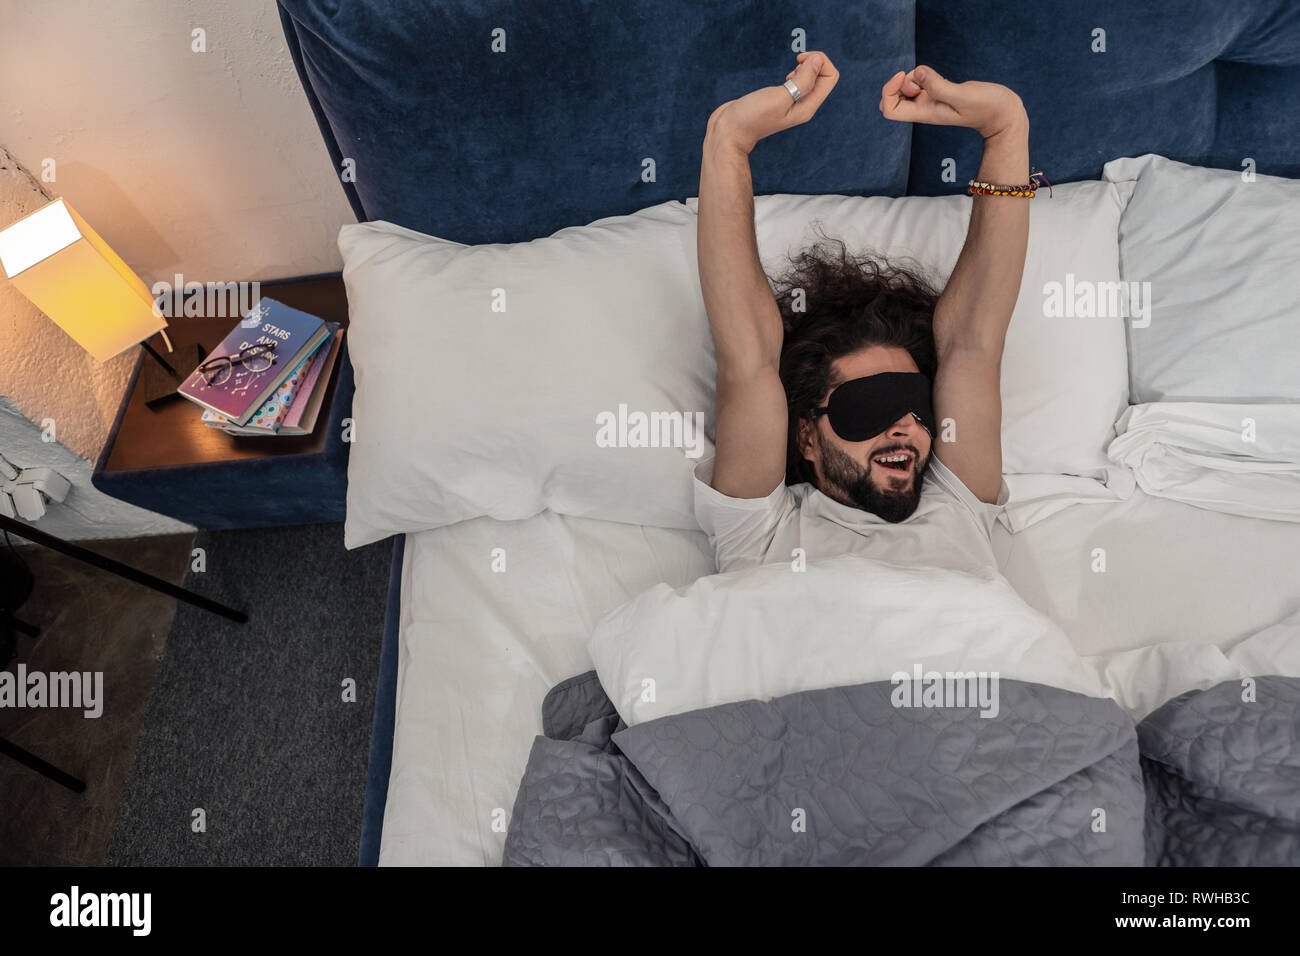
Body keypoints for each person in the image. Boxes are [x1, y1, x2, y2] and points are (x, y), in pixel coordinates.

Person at [695, 52, 1031, 578]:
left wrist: (1006, 127)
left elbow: (973, 342)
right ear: (806, 436)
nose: (903, 425)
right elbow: (749, 357)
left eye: (914, 403)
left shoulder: (957, 505)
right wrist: (729, 139)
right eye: (868, 403)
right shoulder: (762, 532)